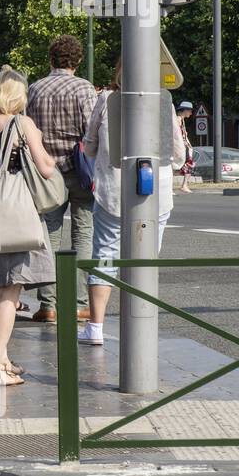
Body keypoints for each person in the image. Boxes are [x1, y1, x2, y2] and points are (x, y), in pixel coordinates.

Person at [79, 61, 185, 346]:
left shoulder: (106, 99)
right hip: (156, 191)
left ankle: (96, 327)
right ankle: (142, 327)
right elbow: (178, 153)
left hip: (113, 190)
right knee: (145, 258)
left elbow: (89, 145)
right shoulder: (164, 100)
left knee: (105, 255)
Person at [0, 69, 58, 385]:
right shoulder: (22, 124)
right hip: (14, 214)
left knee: (5, 285)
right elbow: (45, 168)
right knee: (10, 289)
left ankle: (3, 358)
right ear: (17, 95)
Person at [25, 35, 97, 324]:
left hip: (46, 172)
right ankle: (79, 303)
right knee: (83, 234)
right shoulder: (84, 89)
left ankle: (49, 305)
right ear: (77, 61)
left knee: (48, 237)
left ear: (50, 59)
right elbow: (92, 131)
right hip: (79, 171)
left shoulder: (35, 90)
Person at [176, 101, 196, 192]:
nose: (191, 113)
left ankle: (184, 185)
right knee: (178, 165)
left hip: (184, 147)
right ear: (184, 110)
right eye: (190, 111)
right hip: (181, 147)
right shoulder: (178, 120)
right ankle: (183, 185)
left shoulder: (181, 120)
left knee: (188, 164)